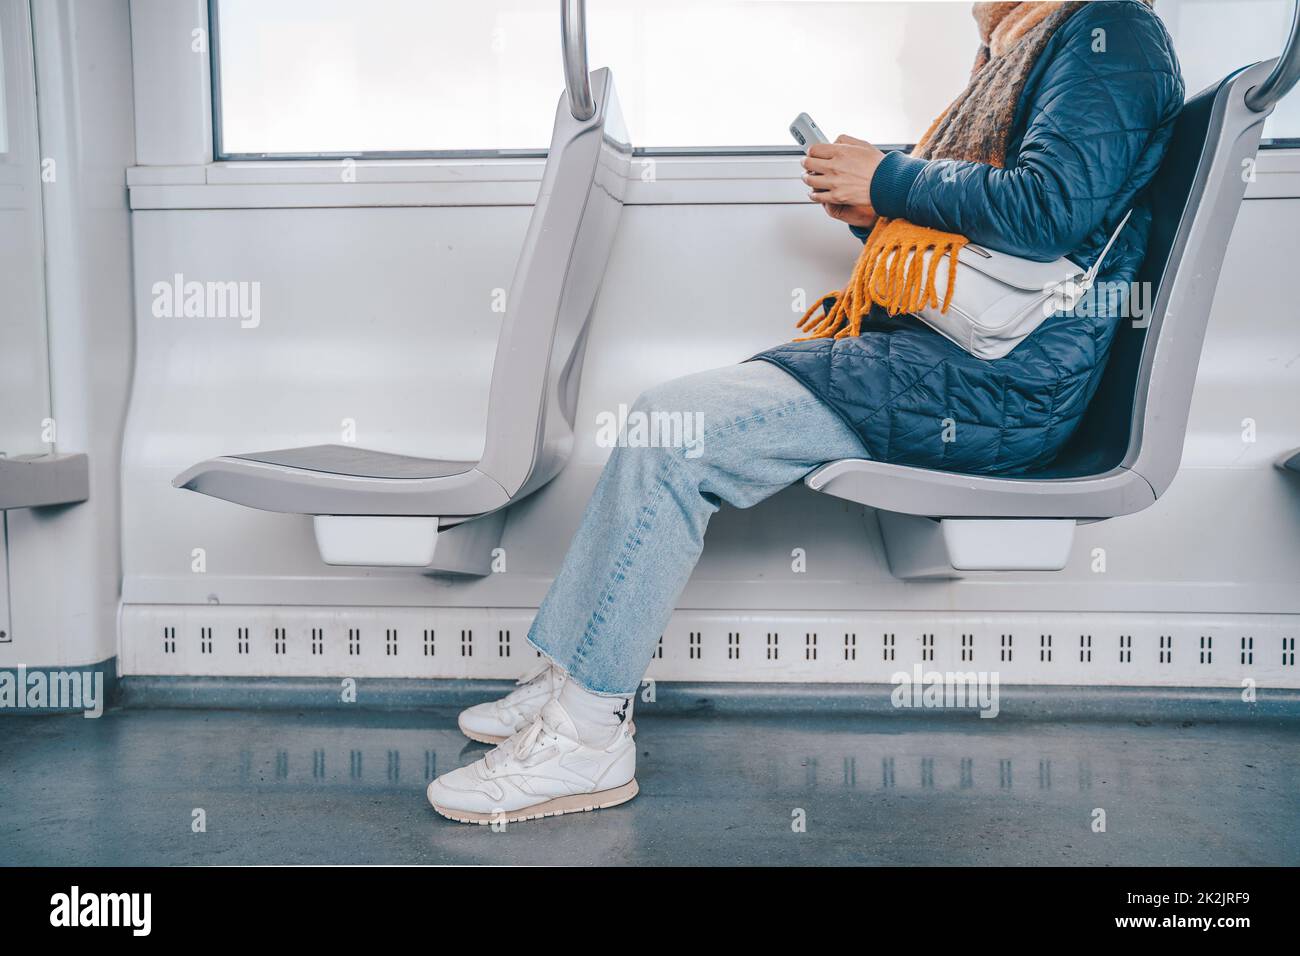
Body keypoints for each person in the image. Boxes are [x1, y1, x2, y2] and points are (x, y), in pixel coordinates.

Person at [427, 0, 1184, 824]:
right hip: (958, 362)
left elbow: (1050, 212)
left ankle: (586, 737)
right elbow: (998, 259)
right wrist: (880, 217)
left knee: (671, 434)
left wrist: (889, 177)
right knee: (665, 422)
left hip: (995, 385)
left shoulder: (1111, 30)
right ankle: (573, 674)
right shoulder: (1033, 46)